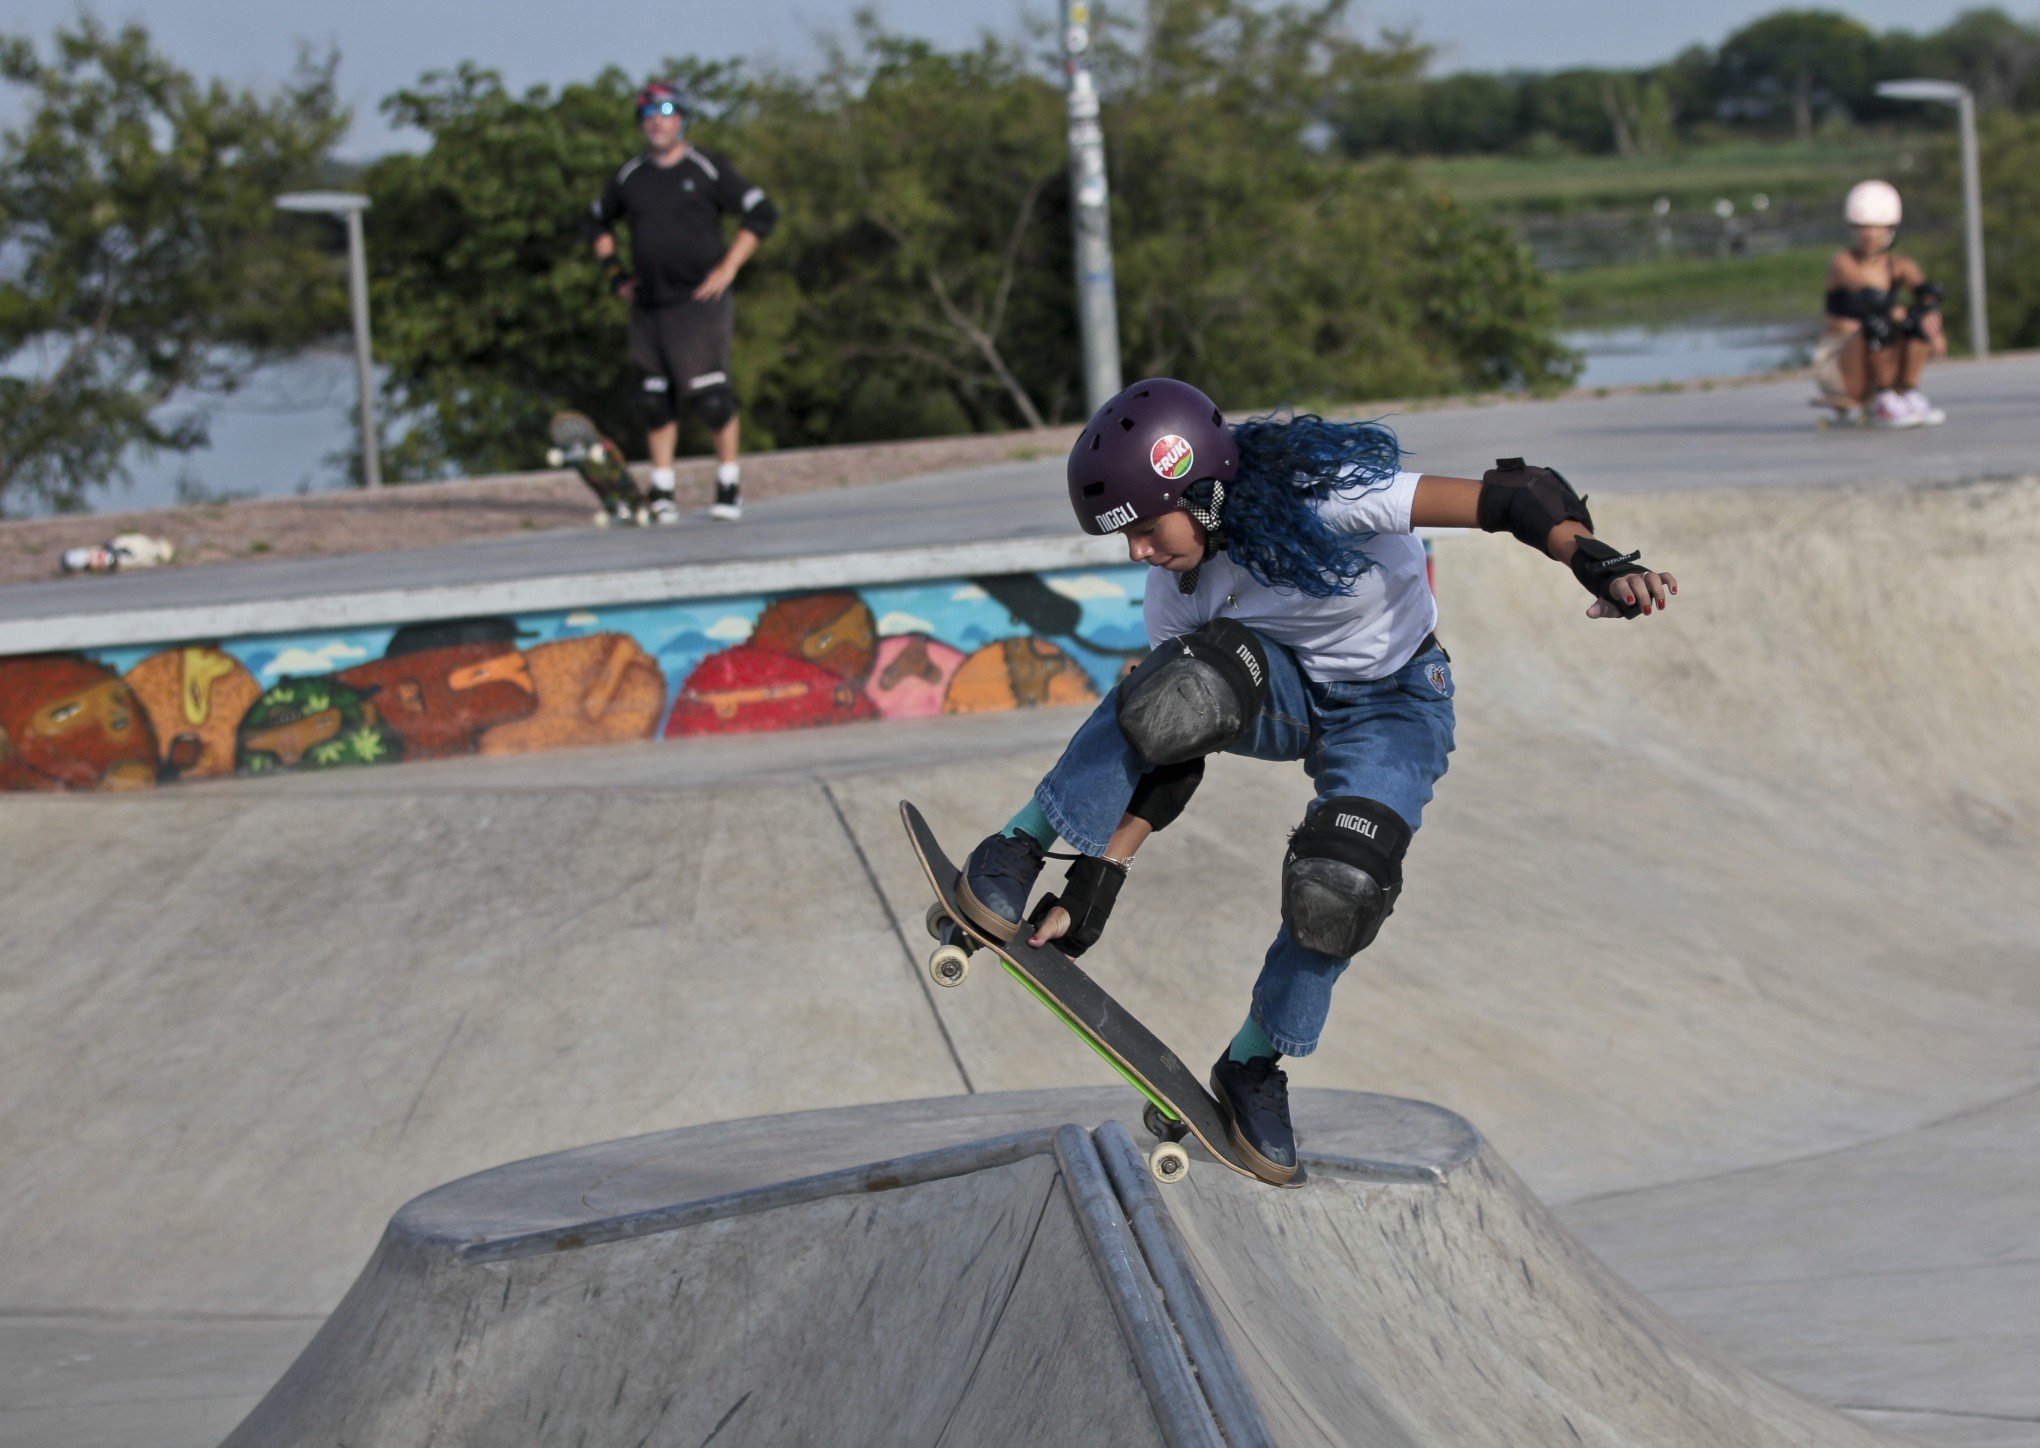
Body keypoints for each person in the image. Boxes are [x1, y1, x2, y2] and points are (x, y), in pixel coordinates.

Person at [950, 378, 1677, 1184]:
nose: (1139, 553)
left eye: (1148, 529)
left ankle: (1253, 1066)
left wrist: (1593, 560)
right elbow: (1169, 751)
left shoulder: (1328, 495)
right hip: (1285, 692)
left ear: (1205, 493)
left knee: (1343, 885)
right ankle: (1017, 844)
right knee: (1173, 690)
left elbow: (1513, 497)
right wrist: (1101, 871)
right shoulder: (1179, 592)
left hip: (1397, 707)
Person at [585, 81, 778, 522]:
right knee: (654, 400)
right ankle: (662, 489)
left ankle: (728, 485)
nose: (657, 120)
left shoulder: (706, 167)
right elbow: (595, 221)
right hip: (650, 302)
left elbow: (762, 213)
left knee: (712, 399)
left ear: (682, 119)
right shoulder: (630, 176)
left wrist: (729, 267)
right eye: (649, 113)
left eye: (667, 111)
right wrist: (614, 272)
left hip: (698, 301)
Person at [1814, 180, 1947, 428]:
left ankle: (1906, 392)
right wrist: (1898, 312)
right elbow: (1869, 293)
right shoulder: (1843, 262)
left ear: (1890, 230)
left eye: (1877, 228)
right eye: (1862, 227)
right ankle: (1885, 398)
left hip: (1876, 355)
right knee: (1879, 321)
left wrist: (1930, 314)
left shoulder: (1898, 264)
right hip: (1840, 362)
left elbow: (1927, 290)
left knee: (1916, 318)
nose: (1869, 234)